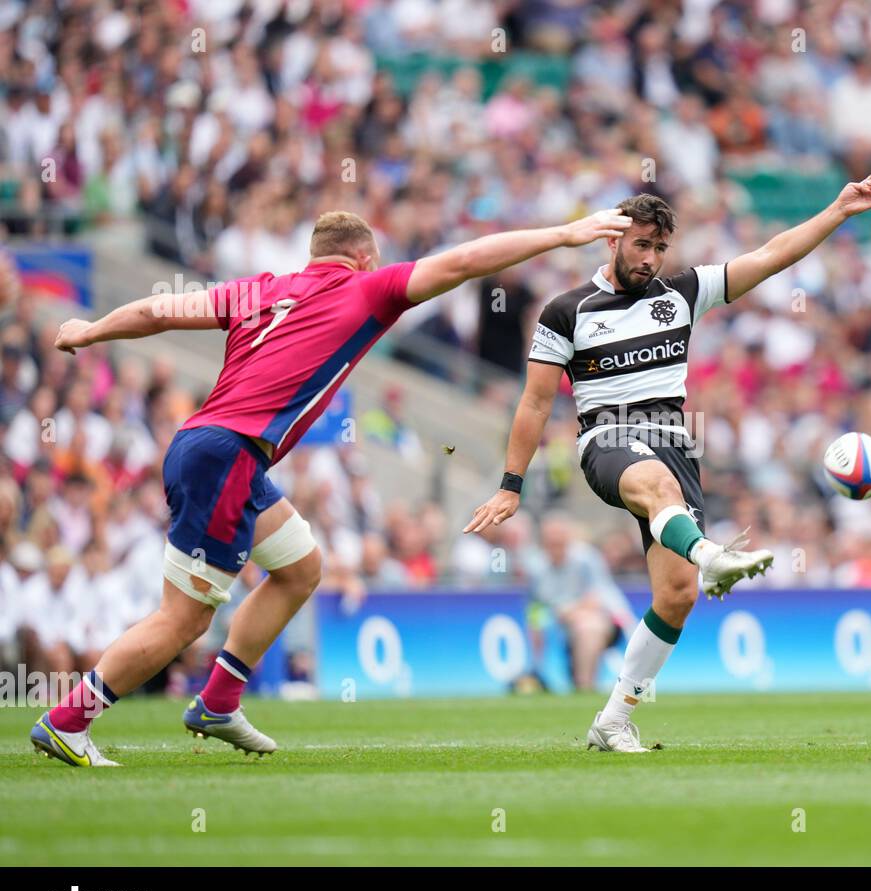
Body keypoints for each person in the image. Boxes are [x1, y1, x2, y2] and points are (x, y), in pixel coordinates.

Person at [29, 206, 631, 767]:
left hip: (213, 448)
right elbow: (465, 260)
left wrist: (89, 329)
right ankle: (69, 719)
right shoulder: (368, 289)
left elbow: (159, 312)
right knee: (184, 620)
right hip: (227, 457)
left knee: (300, 568)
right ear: (365, 258)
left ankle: (217, 701)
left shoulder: (257, 289)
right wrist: (562, 234)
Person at [465, 178, 871, 752]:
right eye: (641, 244)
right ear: (612, 240)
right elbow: (537, 401)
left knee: (676, 596)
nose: (650, 258)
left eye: (660, 248)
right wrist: (511, 484)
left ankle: (613, 719)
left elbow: (770, 257)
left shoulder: (684, 293)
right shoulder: (566, 312)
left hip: (675, 442)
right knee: (657, 485)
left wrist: (837, 211)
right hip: (608, 440)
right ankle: (713, 554)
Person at [521, 513, 636, 692]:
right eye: (550, 541)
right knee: (579, 626)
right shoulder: (536, 567)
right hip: (559, 626)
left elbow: (599, 597)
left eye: (560, 541)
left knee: (588, 626)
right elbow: (535, 610)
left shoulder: (587, 558)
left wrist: (570, 611)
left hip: (603, 622)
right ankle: (554, 678)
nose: (555, 546)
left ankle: (585, 686)